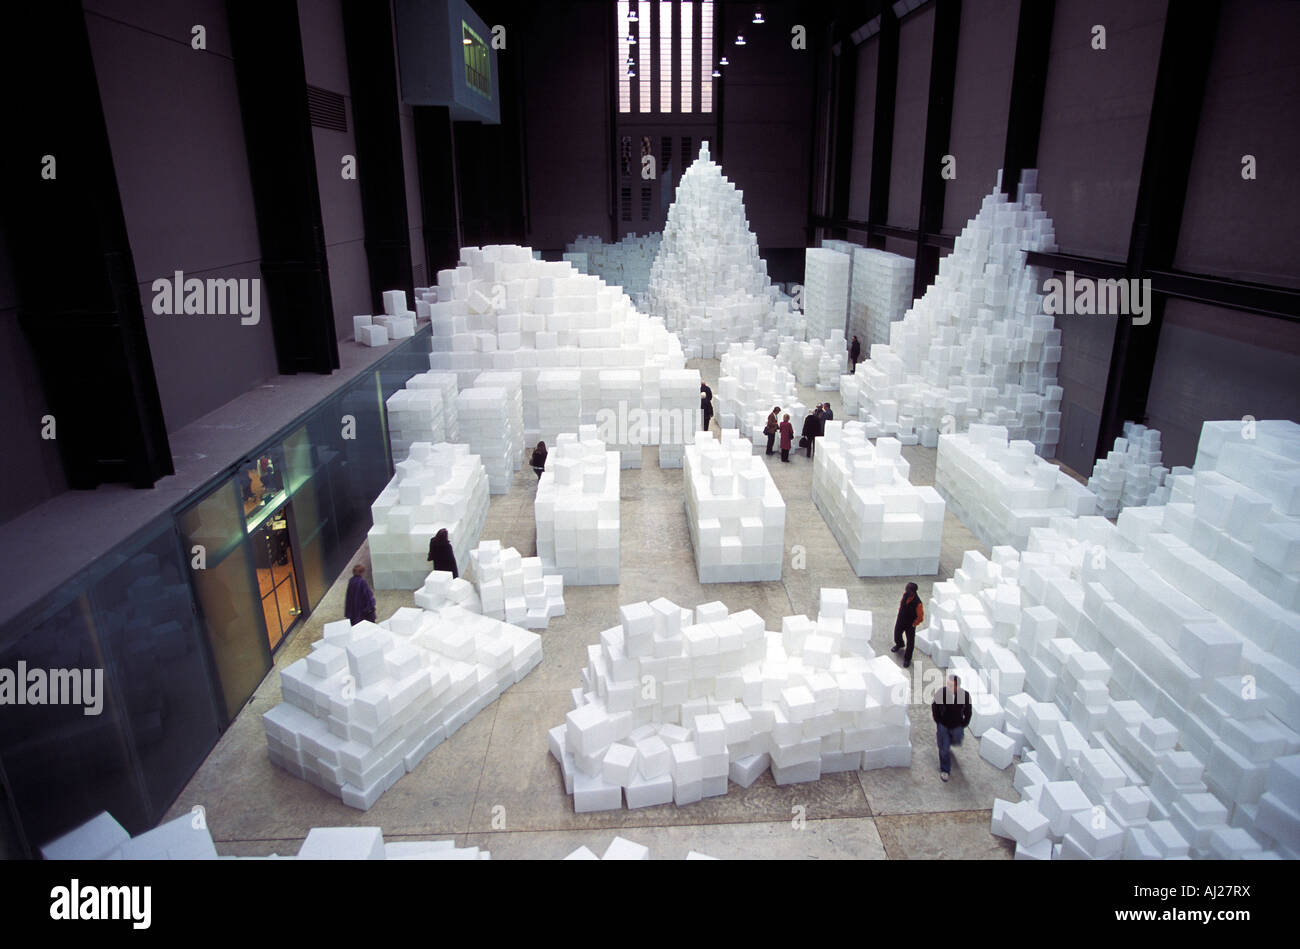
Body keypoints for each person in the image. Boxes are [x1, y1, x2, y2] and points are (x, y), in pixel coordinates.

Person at [932, 673, 972, 781]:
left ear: (957, 687)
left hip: (957, 725)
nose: (948, 687)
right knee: (943, 749)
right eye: (947, 684)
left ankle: (949, 742)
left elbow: (968, 711)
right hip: (943, 725)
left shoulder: (965, 696)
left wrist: (964, 723)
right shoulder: (942, 693)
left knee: (957, 740)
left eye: (951, 685)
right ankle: (945, 769)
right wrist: (937, 720)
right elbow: (934, 705)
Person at [891, 581, 924, 668]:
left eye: (907, 589)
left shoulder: (918, 603)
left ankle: (907, 658)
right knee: (897, 634)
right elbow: (901, 604)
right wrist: (900, 612)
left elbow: (920, 617)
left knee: (910, 642)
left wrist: (914, 624)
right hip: (901, 620)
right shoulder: (905, 595)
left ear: (912, 591)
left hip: (910, 624)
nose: (905, 590)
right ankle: (900, 644)